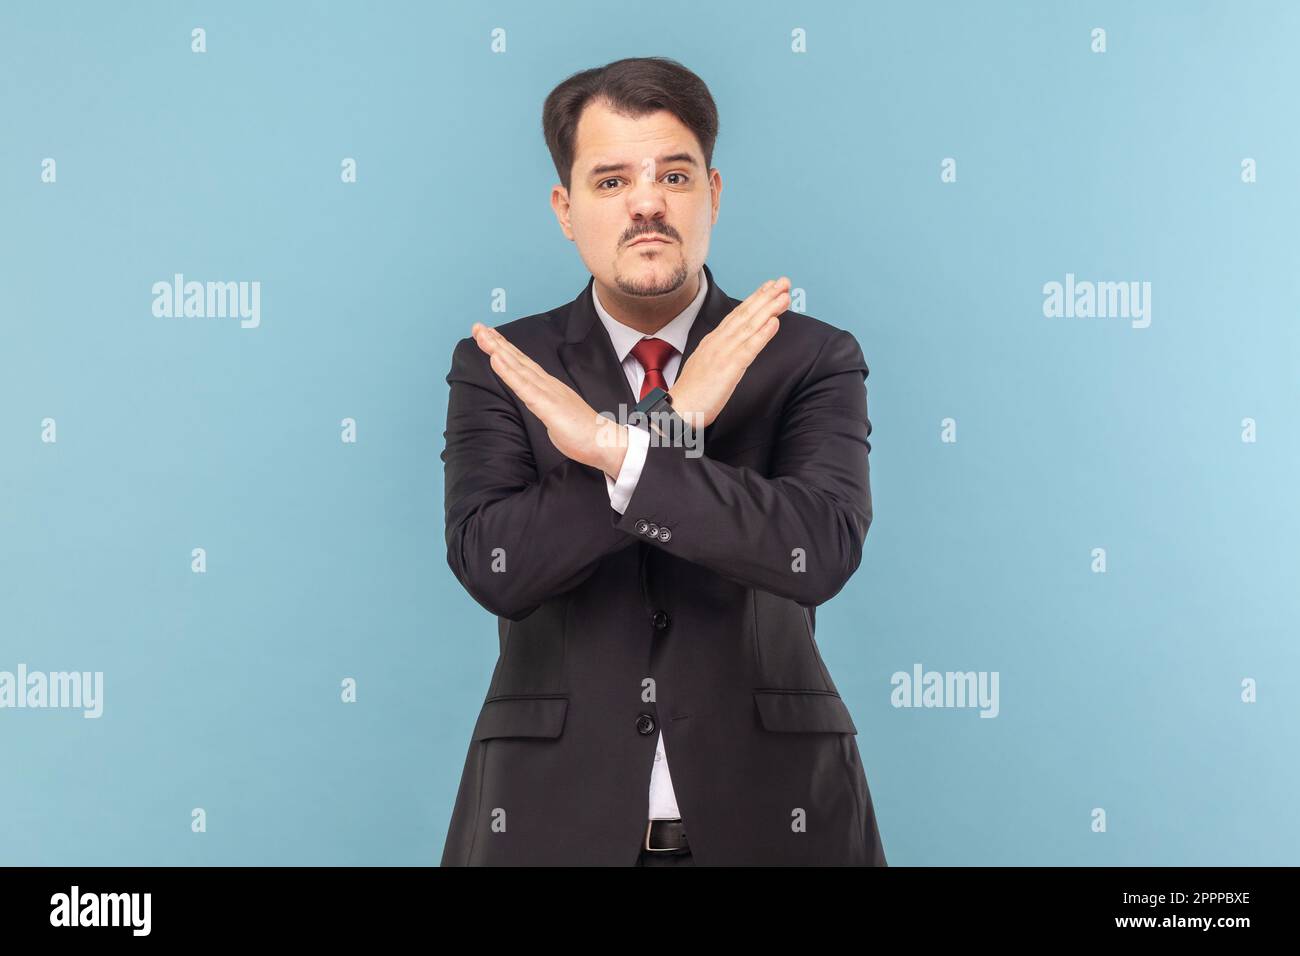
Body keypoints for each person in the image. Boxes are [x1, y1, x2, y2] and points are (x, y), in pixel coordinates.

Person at [439, 56, 886, 866]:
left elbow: (818, 549)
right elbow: (496, 565)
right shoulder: (506, 366)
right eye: (610, 182)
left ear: (713, 193)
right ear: (565, 209)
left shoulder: (810, 358)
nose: (647, 202)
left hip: (777, 820)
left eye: (673, 175)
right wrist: (674, 422)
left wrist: (618, 446)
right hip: (547, 824)